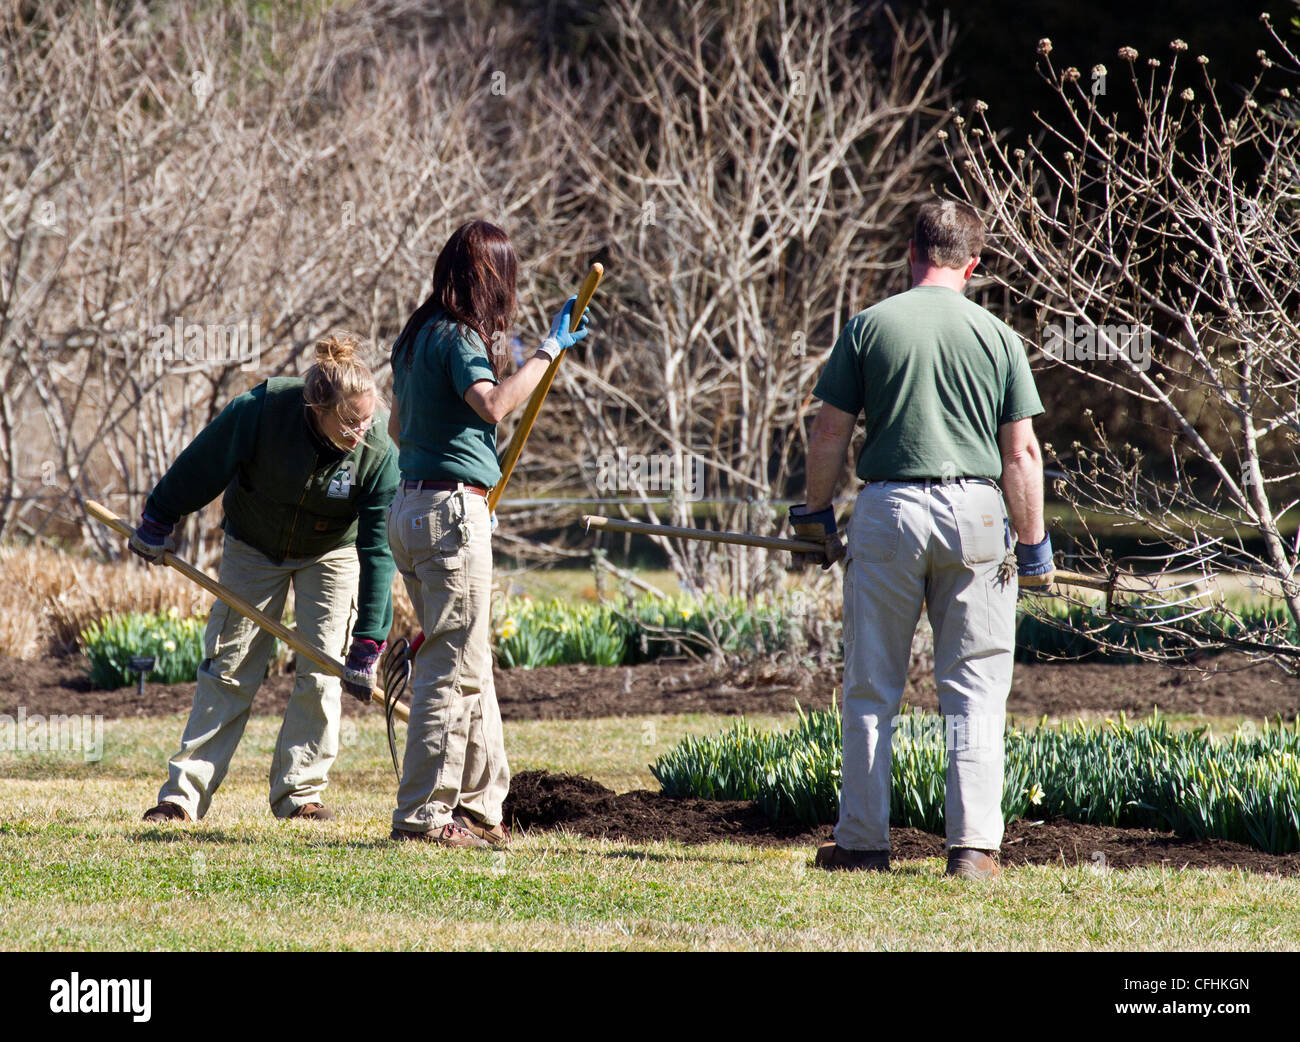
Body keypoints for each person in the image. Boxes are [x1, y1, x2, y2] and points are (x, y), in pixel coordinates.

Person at [791, 200, 1053, 879]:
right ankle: (972, 850)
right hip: (976, 516)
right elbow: (1021, 454)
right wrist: (1034, 545)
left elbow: (829, 431)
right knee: (974, 689)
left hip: (888, 512)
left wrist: (815, 515)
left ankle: (861, 846)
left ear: (911, 253)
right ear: (972, 264)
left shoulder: (869, 326)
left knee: (872, 685)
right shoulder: (998, 337)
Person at [132, 334, 400, 823]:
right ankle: (182, 797)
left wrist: (369, 641)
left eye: (367, 419)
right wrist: (159, 517)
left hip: (331, 552)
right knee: (229, 667)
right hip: (253, 544)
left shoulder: (379, 448)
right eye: (349, 422)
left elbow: (377, 549)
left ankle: (300, 794)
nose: (362, 430)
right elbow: (202, 464)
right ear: (315, 407)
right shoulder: (260, 410)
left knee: (322, 672)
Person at [386, 220, 589, 848]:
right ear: (489, 277)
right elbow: (496, 405)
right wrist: (549, 352)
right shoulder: (457, 337)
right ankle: (424, 816)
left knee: (471, 664)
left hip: (413, 508)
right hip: (447, 514)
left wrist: (461, 480)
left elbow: (398, 429)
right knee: (450, 669)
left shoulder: (415, 337)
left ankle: (481, 806)